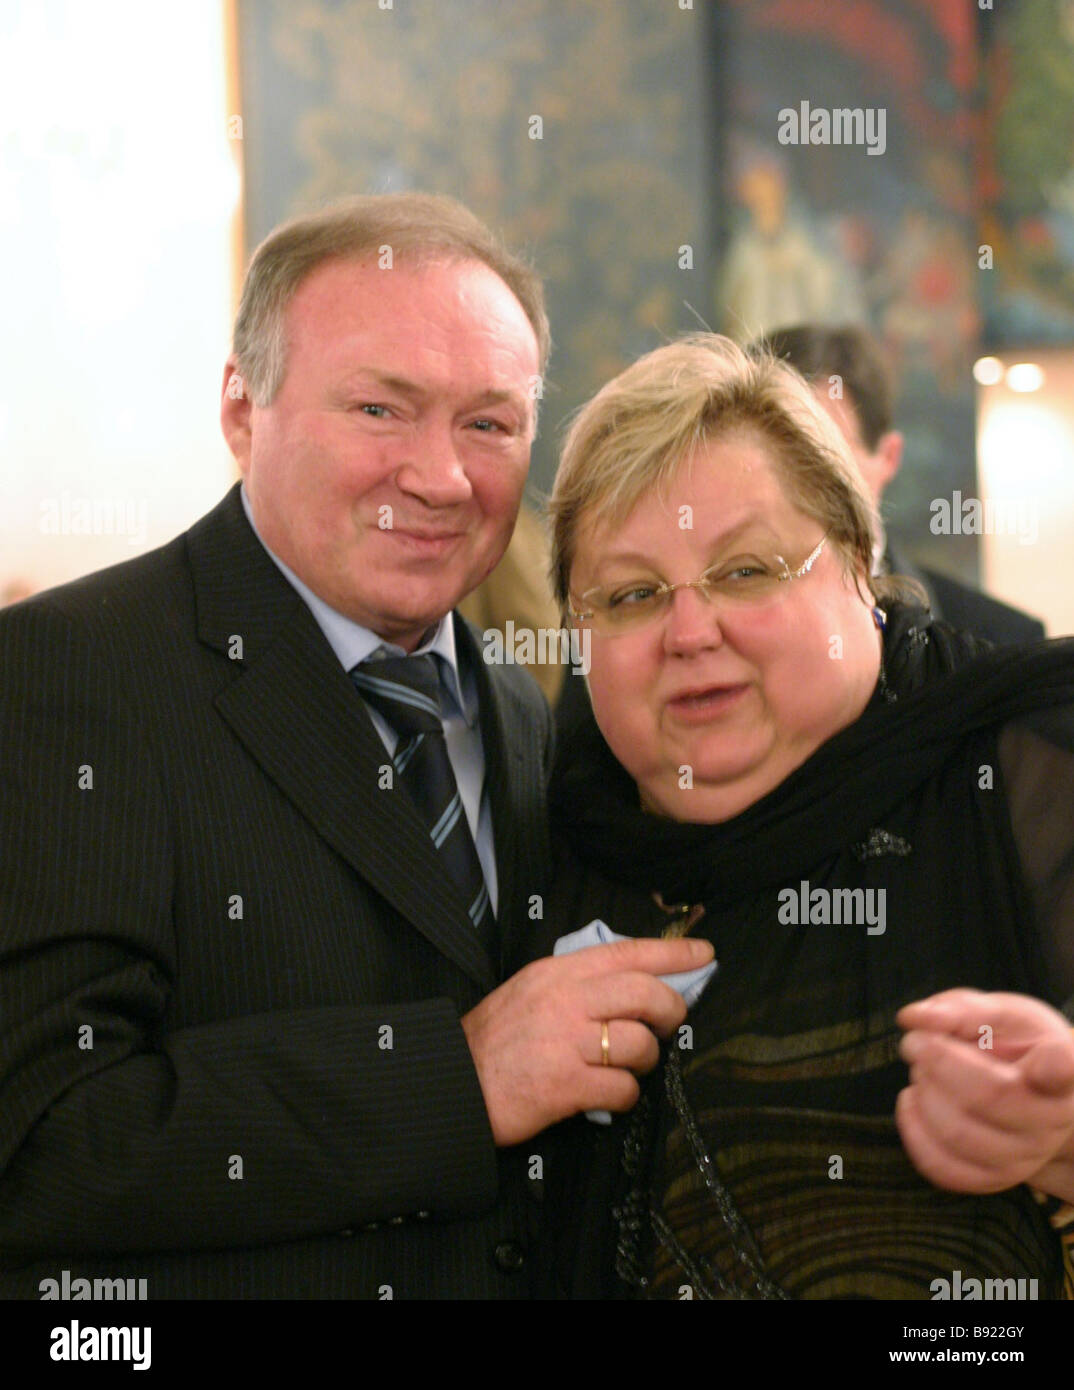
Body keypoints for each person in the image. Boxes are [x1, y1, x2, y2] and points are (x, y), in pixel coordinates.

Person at [0, 193, 709, 1300]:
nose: (440, 476)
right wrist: (457, 1078)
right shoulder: (65, 674)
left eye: (490, 423)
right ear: (243, 409)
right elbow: (40, 1143)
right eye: (382, 408)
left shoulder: (531, 720)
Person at [541, 333, 1074, 1299]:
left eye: (747, 570)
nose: (691, 632)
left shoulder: (1032, 764)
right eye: (631, 594)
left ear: (859, 559)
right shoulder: (555, 827)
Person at [760, 323, 1046, 645]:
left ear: (888, 458)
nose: (790, 484)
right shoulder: (700, 633)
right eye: (770, 460)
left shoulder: (1001, 642)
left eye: (822, 456)